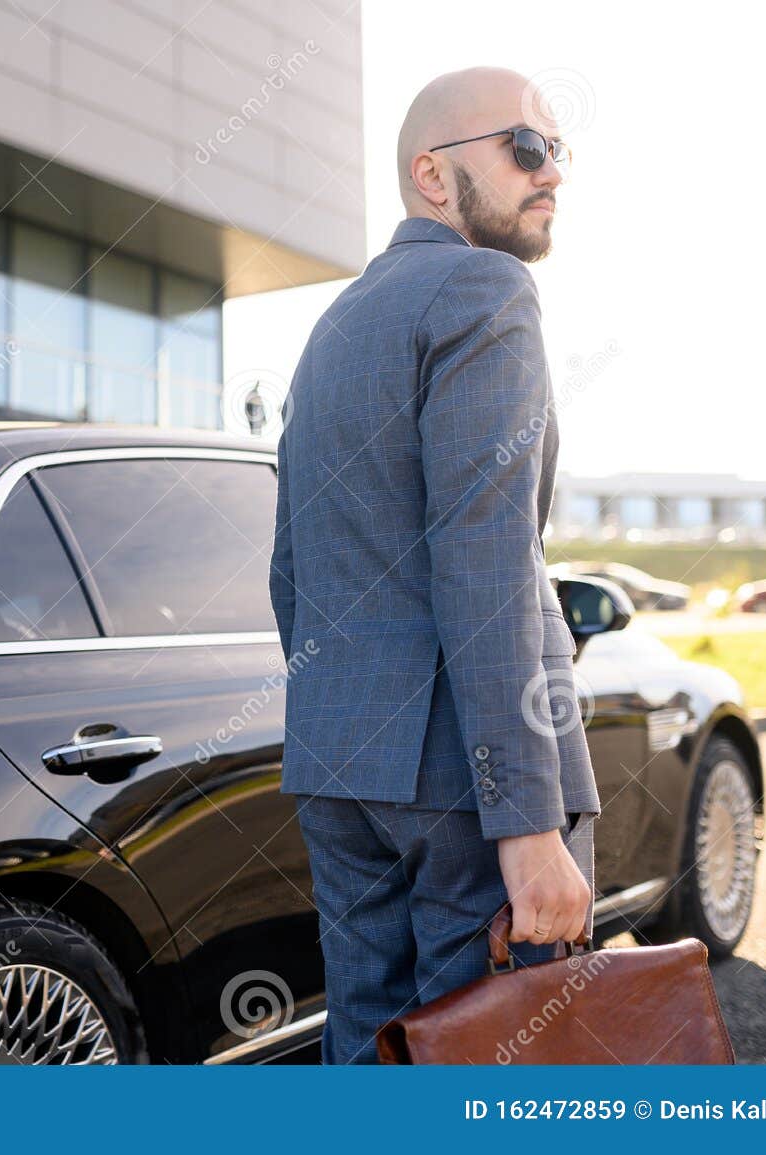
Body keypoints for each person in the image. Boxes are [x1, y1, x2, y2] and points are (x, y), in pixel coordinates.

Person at [268, 66, 601, 1064]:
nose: (550, 173)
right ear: (431, 174)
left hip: (341, 767)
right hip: (462, 785)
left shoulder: (332, 329)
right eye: (524, 148)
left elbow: (288, 564)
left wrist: (342, 710)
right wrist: (526, 820)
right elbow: (486, 556)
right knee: (494, 1064)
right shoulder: (483, 286)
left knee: (370, 1050)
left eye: (557, 150)